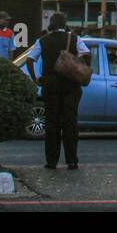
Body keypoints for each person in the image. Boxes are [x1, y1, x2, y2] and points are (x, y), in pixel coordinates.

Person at [25, 13, 90, 170]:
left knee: (52, 124)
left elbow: (29, 60)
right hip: (71, 86)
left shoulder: (43, 40)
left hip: (50, 86)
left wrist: (36, 78)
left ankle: (51, 161)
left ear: (51, 24)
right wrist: (81, 70)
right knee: (70, 123)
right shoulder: (74, 39)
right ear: (65, 24)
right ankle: (72, 160)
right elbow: (87, 54)